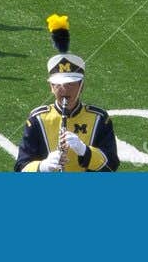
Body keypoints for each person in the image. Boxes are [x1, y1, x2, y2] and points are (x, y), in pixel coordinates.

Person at [15, 14, 119, 172]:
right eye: (59, 85)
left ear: (81, 86)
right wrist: (43, 166)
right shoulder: (37, 119)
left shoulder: (99, 119)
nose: (65, 89)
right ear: (51, 87)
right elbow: (20, 167)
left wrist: (85, 151)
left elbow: (112, 165)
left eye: (71, 84)